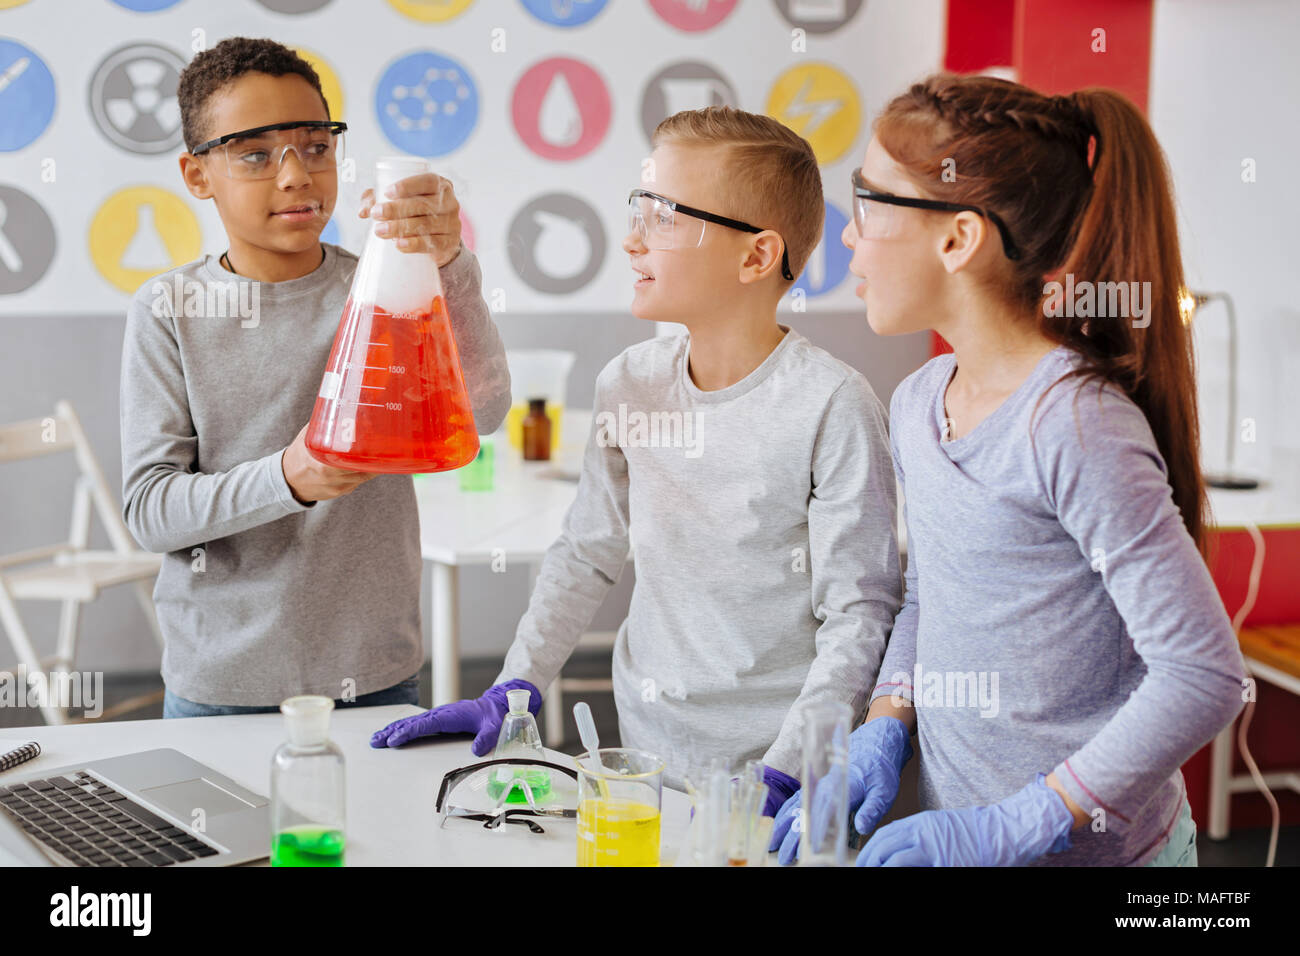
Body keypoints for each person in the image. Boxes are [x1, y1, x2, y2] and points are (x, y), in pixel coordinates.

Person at [772, 72, 1246, 865]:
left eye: (870, 201)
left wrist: (1017, 824)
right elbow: (932, 588)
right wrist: (888, 718)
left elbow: (1202, 674)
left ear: (958, 239)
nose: (848, 235)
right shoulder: (921, 401)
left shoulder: (1073, 423)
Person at [372, 107, 903, 810]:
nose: (630, 239)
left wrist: (787, 771)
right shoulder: (629, 382)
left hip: (782, 776)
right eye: (637, 210)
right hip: (644, 757)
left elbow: (858, 615)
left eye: (664, 217)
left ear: (755, 256)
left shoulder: (832, 405)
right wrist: (518, 682)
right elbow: (587, 552)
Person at [119, 37, 510, 717]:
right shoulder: (169, 310)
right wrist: (290, 478)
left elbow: (481, 413)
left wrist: (450, 265)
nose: (297, 174)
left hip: (375, 677)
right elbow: (152, 512)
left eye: (316, 146)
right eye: (255, 154)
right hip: (222, 690)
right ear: (196, 175)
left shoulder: (386, 289)